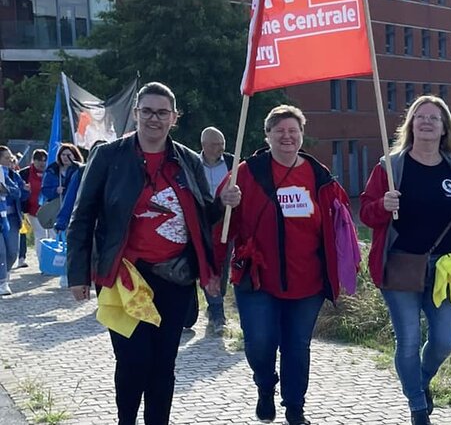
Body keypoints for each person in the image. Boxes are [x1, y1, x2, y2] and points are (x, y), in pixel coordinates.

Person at [65, 82, 232, 425]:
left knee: (163, 364)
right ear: (137, 113)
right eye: (147, 111)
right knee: (133, 361)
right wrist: (78, 274)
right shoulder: (108, 156)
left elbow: (202, 218)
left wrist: (223, 203)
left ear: (174, 118)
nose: (154, 119)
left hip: (176, 279)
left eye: (162, 113)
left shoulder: (187, 160)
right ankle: (126, 420)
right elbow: (83, 216)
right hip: (125, 278)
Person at [360, 95, 451, 425]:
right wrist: (383, 205)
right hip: (400, 266)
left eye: (433, 118)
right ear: (410, 125)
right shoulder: (390, 167)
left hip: (444, 270)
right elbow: (366, 213)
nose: (425, 122)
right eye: (419, 117)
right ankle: (418, 407)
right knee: (407, 339)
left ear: (444, 128)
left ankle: (420, 381)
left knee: (444, 340)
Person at [217, 105, 351, 425]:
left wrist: (345, 270)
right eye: (280, 131)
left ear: (302, 135)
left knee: (297, 346)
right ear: (268, 136)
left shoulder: (319, 176)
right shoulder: (247, 173)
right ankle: (265, 385)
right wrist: (226, 203)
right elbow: (220, 223)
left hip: (308, 280)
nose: (287, 136)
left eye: (293, 131)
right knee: (260, 342)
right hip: (258, 279)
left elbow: (341, 220)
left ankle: (295, 409)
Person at [195, 126, 234, 335]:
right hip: (200, 222)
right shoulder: (192, 163)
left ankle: (217, 308)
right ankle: (213, 311)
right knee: (203, 266)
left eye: (222, 144)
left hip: (226, 221)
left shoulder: (233, 162)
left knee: (222, 266)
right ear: (204, 146)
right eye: (215, 144)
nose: (220, 148)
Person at [0, 145, 28, 296]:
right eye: (6, 158)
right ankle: (2, 282)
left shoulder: (11, 174)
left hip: (11, 218)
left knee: (12, 252)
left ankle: (5, 272)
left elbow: (19, 192)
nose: (10, 160)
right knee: (1, 252)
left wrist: (6, 190)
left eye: (11, 158)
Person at [18, 149, 49, 268]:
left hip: (49, 209)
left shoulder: (51, 172)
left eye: (44, 160)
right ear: (33, 160)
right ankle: (43, 263)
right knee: (40, 235)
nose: (42, 163)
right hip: (32, 210)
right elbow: (18, 190)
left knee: (52, 235)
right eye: (39, 160)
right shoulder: (24, 173)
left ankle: (51, 261)